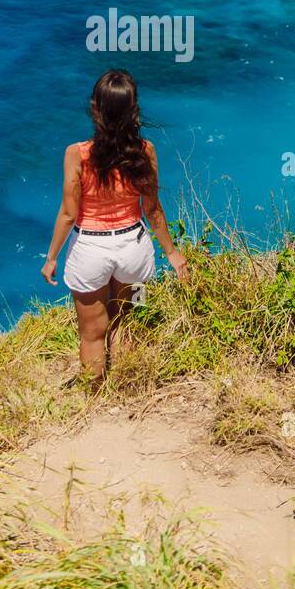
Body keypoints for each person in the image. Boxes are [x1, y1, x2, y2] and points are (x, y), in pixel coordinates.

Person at [41, 69, 188, 380]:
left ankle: (95, 398)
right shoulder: (145, 151)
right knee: (128, 319)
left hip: (90, 253)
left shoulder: (76, 155)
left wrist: (52, 257)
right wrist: (173, 255)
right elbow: (153, 209)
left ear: (95, 108)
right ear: (134, 110)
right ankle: (126, 387)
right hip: (134, 251)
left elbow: (68, 214)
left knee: (92, 334)